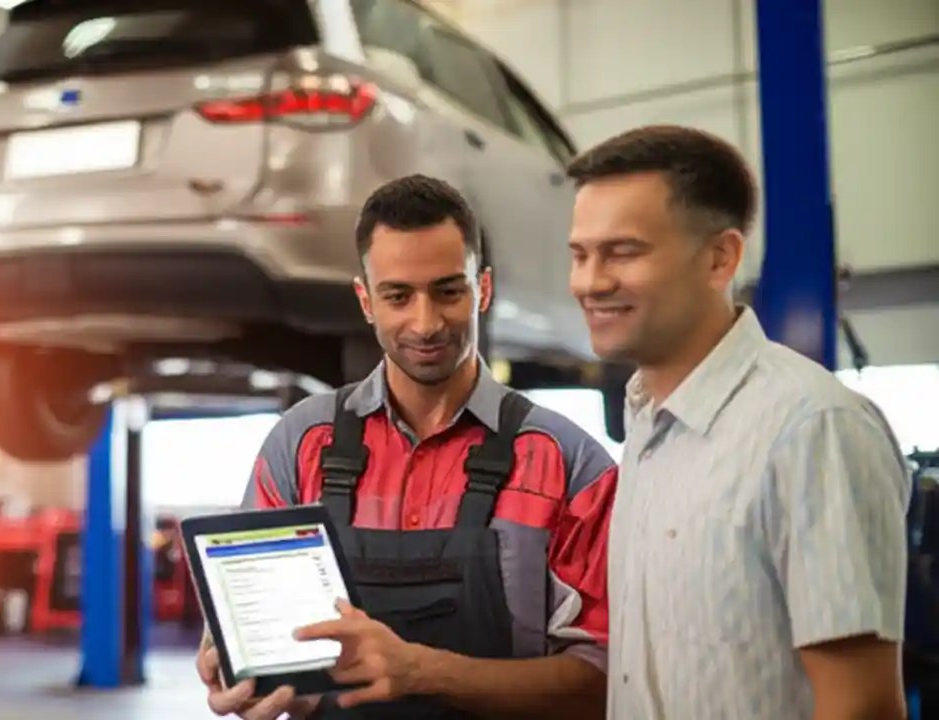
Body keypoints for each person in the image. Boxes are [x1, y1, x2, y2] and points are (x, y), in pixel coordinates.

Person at [196, 174, 618, 719]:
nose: (425, 323)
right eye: (398, 296)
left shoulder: (568, 461)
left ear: (482, 289)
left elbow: (607, 679)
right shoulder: (301, 444)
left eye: (448, 291)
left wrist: (419, 670)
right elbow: (252, 629)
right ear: (366, 301)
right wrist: (234, 667)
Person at [564, 124, 912, 719]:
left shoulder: (811, 430)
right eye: (579, 254)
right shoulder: (647, 422)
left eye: (623, 252)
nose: (591, 281)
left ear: (720, 257)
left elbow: (861, 707)